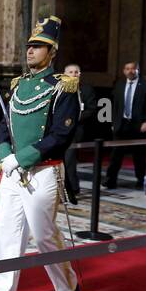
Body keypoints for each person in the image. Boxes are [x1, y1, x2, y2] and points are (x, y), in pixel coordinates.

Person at [0, 17, 82, 291]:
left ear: (52, 51)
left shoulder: (64, 87)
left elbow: (61, 134)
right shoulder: (19, 85)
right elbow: (4, 125)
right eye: (29, 46)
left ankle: (68, 287)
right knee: (7, 232)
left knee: (44, 233)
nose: (31, 51)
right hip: (12, 170)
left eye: (38, 46)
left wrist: (23, 158)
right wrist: (4, 155)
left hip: (43, 170)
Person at [104, 61, 146, 190]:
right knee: (116, 154)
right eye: (127, 69)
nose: (130, 71)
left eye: (133, 69)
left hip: (139, 125)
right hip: (121, 124)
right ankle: (110, 180)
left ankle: (141, 180)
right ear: (124, 71)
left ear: (137, 70)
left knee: (139, 155)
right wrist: (113, 122)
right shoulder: (119, 85)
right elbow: (115, 105)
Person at [60, 62, 96, 205]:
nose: (73, 74)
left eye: (76, 72)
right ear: (64, 74)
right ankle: (65, 187)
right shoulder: (60, 89)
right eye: (70, 72)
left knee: (69, 159)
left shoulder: (86, 90)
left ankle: (71, 189)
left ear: (79, 74)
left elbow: (91, 109)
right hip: (59, 129)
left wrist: (74, 119)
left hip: (76, 129)